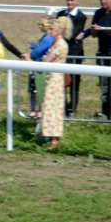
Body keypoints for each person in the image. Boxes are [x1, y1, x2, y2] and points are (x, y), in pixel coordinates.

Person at [75, 0, 111, 119]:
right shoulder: (98, 13)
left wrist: (104, 29)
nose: (102, 2)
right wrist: (85, 34)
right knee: (105, 86)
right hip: (103, 54)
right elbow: (93, 32)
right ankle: (106, 113)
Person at [41, 16, 71, 150]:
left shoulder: (60, 44)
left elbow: (48, 60)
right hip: (52, 77)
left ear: (58, 30)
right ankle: (50, 136)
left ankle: (55, 138)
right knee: (50, 107)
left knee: (53, 108)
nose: (49, 30)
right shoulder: (55, 43)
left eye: (52, 28)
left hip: (56, 79)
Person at [57, 0, 87, 116]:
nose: (69, 2)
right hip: (61, 52)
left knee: (74, 82)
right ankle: (62, 108)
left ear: (77, 2)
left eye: (72, 0)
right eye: (68, 0)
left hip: (75, 53)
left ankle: (73, 109)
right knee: (61, 82)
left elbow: (72, 34)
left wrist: (60, 32)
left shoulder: (81, 17)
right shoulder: (60, 14)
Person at [26, 15, 56, 119]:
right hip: (38, 66)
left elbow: (36, 53)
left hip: (40, 67)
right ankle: (36, 110)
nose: (40, 26)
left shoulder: (48, 38)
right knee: (35, 89)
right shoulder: (45, 37)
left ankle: (37, 110)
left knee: (38, 90)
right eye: (40, 24)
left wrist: (32, 52)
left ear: (49, 26)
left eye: (42, 24)